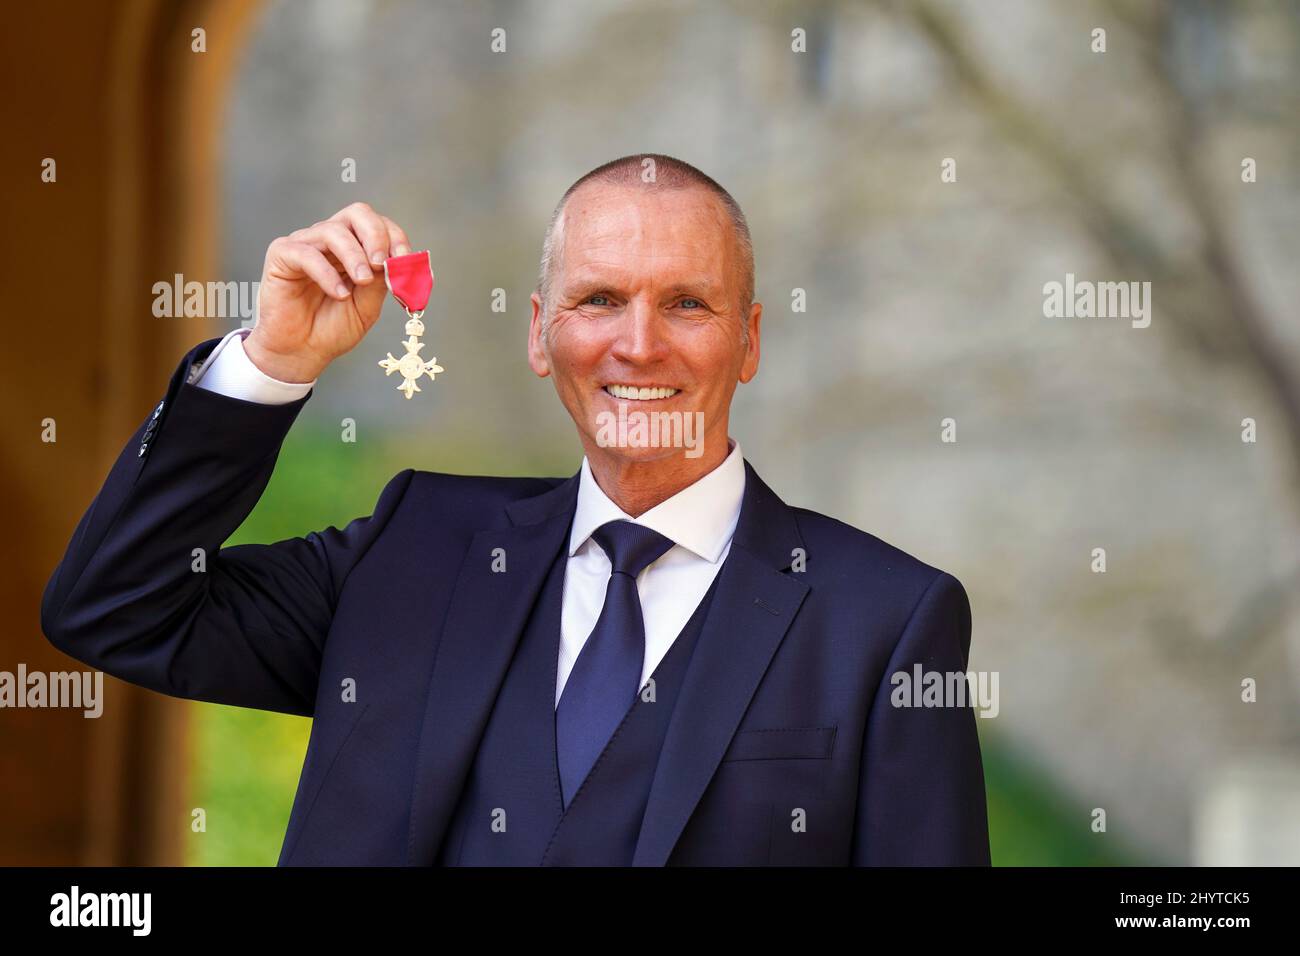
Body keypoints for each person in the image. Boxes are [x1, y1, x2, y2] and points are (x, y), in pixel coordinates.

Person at [41, 153, 990, 866]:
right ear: (541, 334)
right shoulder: (413, 553)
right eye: (600, 298)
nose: (639, 344)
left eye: (689, 305)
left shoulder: (884, 621)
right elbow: (116, 605)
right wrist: (273, 366)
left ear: (748, 341)